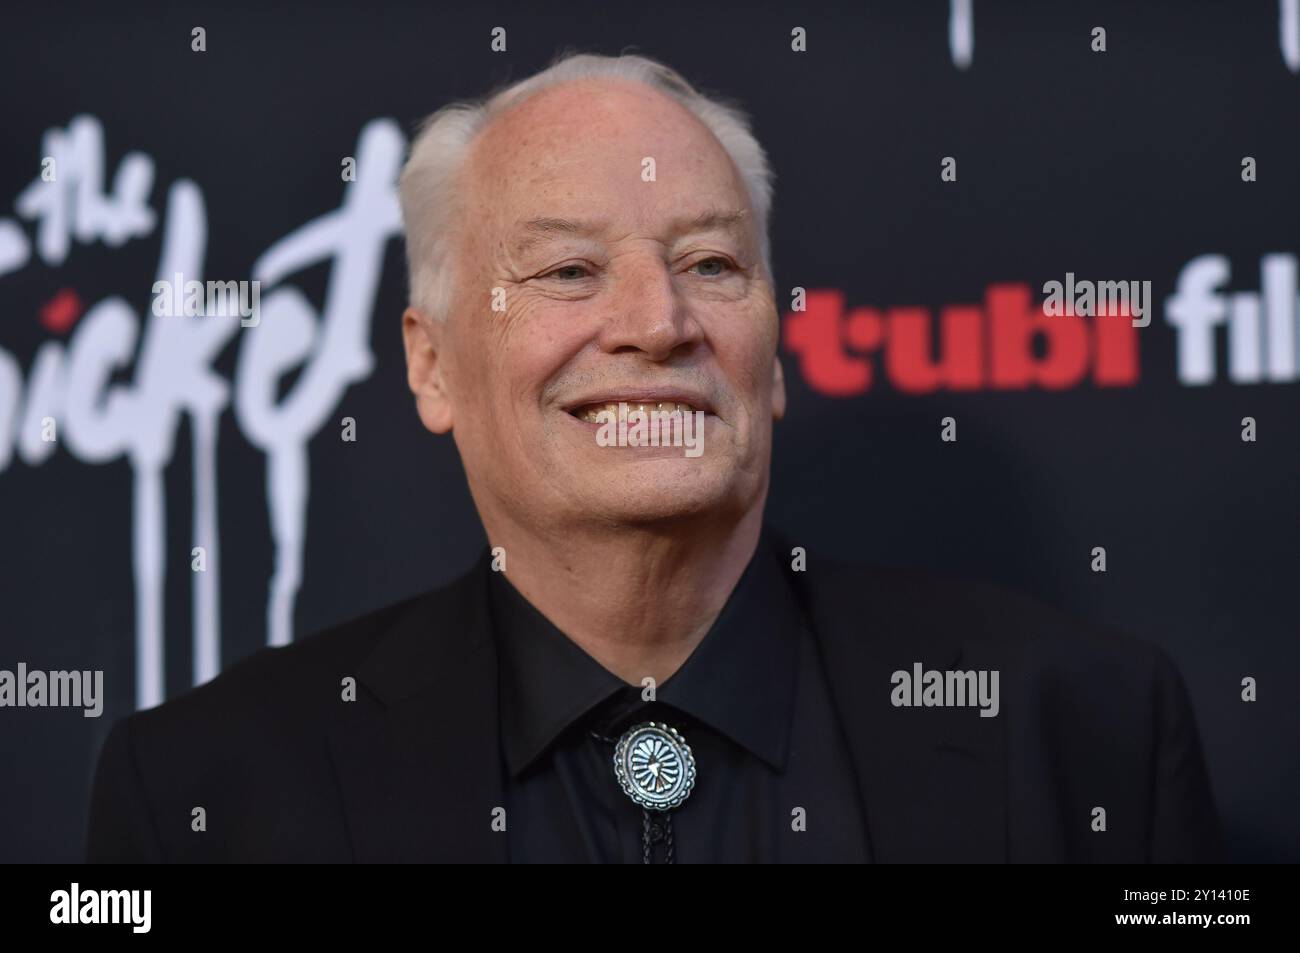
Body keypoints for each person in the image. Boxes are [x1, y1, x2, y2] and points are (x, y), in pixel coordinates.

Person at [86, 52, 1223, 863]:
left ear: (772, 357)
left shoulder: (1085, 728)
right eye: (569, 271)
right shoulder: (210, 790)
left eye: (713, 264)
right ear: (431, 367)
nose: (658, 321)